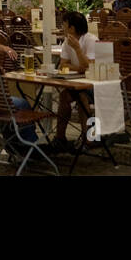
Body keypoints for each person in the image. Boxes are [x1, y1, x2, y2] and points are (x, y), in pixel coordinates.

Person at [48, 11, 95, 153]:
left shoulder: (91, 40)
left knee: (82, 97)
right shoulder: (67, 41)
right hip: (77, 82)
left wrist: (78, 50)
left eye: (64, 24)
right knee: (64, 96)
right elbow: (63, 65)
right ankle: (60, 137)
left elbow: (90, 66)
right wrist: (79, 68)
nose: (62, 27)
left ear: (72, 28)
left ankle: (89, 138)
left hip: (95, 84)